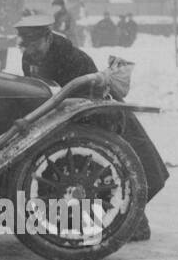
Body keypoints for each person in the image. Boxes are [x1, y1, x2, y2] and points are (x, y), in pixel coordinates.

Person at [15, 14, 151, 241]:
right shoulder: (30, 57)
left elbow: (87, 98)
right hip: (62, 118)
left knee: (110, 171)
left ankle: (136, 224)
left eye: (34, 44)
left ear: (48, 38)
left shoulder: (72, 58)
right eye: (25, 45)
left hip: (96, 117)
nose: (30, 50)